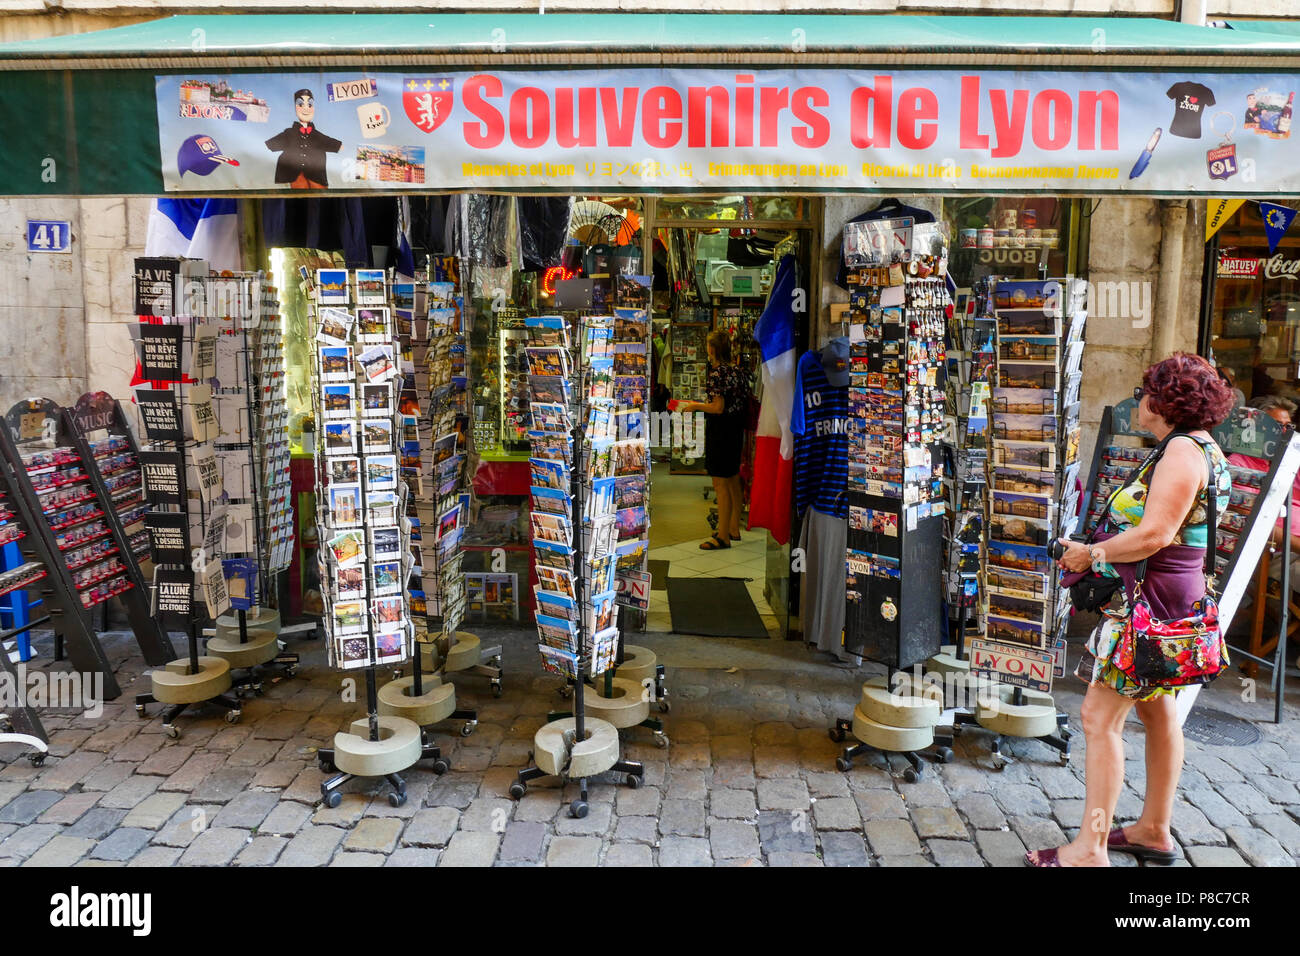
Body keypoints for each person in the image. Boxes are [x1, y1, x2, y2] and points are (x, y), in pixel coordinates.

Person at [1027, 353, 1233, 867]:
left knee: (1099, 719)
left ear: (1163, 402)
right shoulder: (1197, 448)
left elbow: (1156, 535)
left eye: (1146, 391)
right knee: (1158, 711)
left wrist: (1092, 553)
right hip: (1169, 600)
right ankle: (1152, 830)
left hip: (1151, 604)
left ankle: (1090, 848)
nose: (1138, 400)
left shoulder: (1182, 453)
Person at [675, 330, 748, 549]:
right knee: (733, 478)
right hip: (736, 430)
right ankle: (733, 527)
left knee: (720, 483)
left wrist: (695, 406)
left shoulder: (717, 373)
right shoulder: (738, 371)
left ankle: (723, 536)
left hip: (721, 432)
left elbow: (718, 407)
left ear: (713, 349)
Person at [265, 89, 342, 189]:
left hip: (316, 175)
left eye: (310, 105)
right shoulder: (288, 133)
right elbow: (268, 145)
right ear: (295, 108)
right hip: (294, 175)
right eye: (301, 104)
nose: (306, 108)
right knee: (299, 193)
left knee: (319, 193)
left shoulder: (318, 136)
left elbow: (339, 146)